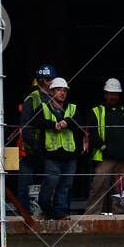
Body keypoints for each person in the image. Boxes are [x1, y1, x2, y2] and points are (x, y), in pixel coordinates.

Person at [34, 76, 82, 220]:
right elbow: (36, 121)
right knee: (51, 182)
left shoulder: (72, 108)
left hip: (69, 154)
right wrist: (53, 125)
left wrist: (67, 122)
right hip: (51, 154)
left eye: (64, 91)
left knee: (65, 185)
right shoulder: (42, 107)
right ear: (51, 92)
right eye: (59, 90)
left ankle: (59, 212)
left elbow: (80, 122)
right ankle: (46, 208)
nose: (62, 93)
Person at [83, 79, 124, 212]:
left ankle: (120, 214)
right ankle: (92, 215)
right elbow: (92, 132)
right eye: (110, 93)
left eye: (116, 94)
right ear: (105, 94)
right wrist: (103, 147)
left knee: (123, 189)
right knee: (99, 186)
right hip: (104, 157)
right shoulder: (96, 111)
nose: (113, 96)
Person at [15, 64, 56, 215]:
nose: (50, 82)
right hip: (32, 149)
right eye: (48, 79)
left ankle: (43, 212)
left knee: (47, 183)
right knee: (25, 184)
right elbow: (26, 126)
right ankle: (24, 214)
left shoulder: (54, 98)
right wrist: (34, 146)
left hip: (47, 148)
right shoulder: (33, 98)